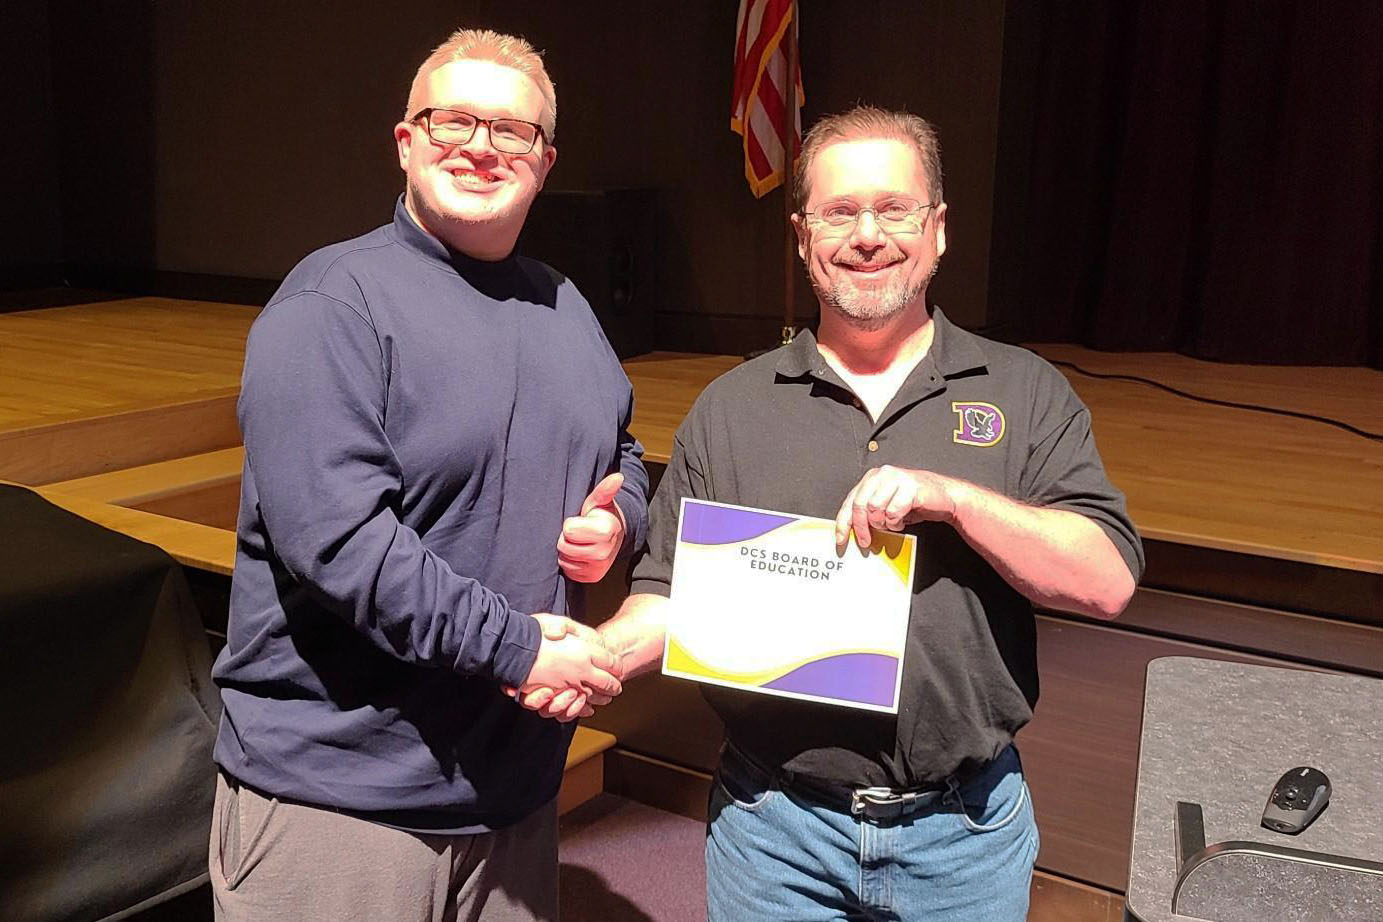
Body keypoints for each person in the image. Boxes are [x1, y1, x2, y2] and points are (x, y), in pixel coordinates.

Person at [522, 106, 1143, 920]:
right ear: (801, 232)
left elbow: (1105, 584)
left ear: (938, 228)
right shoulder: (732, 408)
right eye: (839, 212)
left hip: (962, 835)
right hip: (772, 831)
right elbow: (672, 597)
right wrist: (600, 654)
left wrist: (951, 499)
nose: (867, 234)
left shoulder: (1022, 392)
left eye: (893, 209)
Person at [208, 28, 647, 922]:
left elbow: (625, 452)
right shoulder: (332, 305)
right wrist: (519, 647)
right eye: (454, 120)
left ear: (544, 160)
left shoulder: (564, 305)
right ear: (407, 141)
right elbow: (340, 545)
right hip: (341, 803)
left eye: (511, 131)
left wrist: (621, 519)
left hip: (513, 791)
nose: (480, 145)